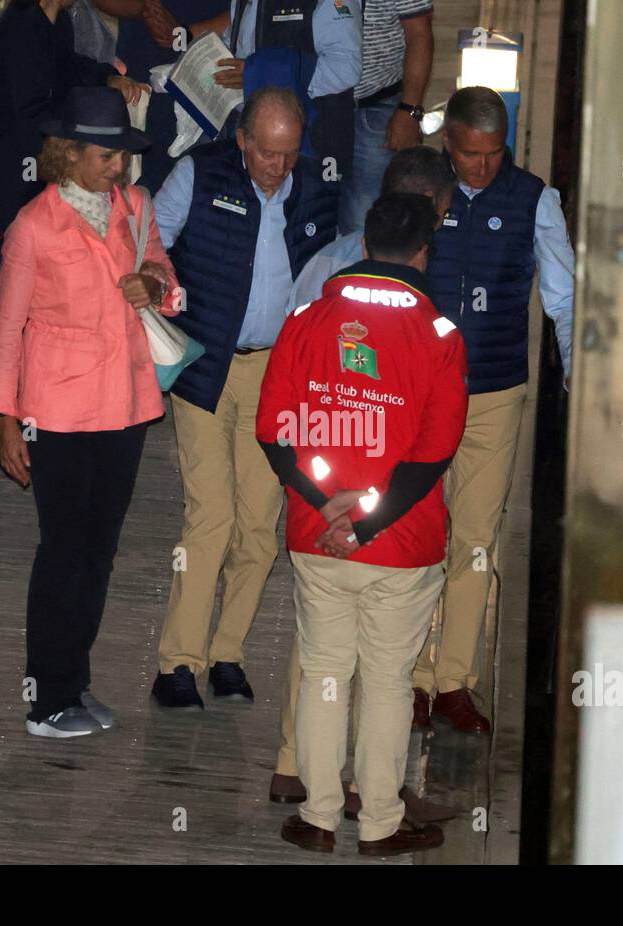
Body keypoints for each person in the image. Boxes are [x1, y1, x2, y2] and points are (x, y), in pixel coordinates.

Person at [256, 192, 468, 855]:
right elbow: (432, 453)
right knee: (385, 682)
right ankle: (379, 823)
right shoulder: (439, 336)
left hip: (317, 540)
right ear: (424, 252)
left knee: (322, 670)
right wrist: (369, 521)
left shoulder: (307, 319)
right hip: (401, 547)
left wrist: (329, 509)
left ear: (366, 245)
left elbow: (274, 434)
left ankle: (318, 818)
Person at [0, 87, 179, 738]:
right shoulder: (34, 225)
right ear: (67, 154)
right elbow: (6, 327)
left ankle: (74, 683)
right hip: (57, 413)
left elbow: (171, 287)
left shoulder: (136, 208)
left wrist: (152, 284)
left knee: (99, 554)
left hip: (123, 407)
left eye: (120, 154)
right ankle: (45, 700)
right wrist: (4, 416)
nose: (116, 166)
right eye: (104, 155)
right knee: (62, 553)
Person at [149, 86, 337, 708]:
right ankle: (178, 663)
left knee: (259, 523)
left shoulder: (314, 191)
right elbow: (151, 246)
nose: (277, 168)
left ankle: (227, 654)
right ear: (242, 141)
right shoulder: (198, 175)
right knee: (211, 515)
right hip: (205, 366)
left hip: (275, 374)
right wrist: (157, 283)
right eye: (265, 154)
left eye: (288, 154)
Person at [413, 86, 575, 733]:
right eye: (470, 155)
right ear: (448, 142)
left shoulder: (536, 200)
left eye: (493, 154)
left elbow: (563, 296)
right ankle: (415, 676)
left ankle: (454, 680)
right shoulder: (420, 188)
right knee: (422, 533)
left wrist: (579, 383)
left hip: (496, 393)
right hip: (424, 393)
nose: (481, 167)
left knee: (476, 539)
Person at [0, 0, 148, 464]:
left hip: (0, 190)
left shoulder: (52, 23)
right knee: (0, 309)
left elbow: (66, 69)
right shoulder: (21, 34)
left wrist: (105, 77)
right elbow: (33, 117)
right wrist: (83, 143)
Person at [286, 144, 452, 312]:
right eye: (446, 211)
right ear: (429, 200)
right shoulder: (442, 263)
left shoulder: (330, 258)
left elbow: (296, 321)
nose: (443, 221)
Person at [211, 0, 361, 174]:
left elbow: (346, 67)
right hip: (250, 127)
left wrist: (260, 73)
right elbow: (240, 44)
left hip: (308, 136)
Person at [104, 0, 233, 194]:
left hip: (207, 74)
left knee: (198, 182)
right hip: (141, 76)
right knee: (134, 182)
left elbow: (242, 15)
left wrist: (181, 36)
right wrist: (144, 7)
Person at [337, 0, 433, 233]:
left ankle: (362, 270)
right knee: (309, 212)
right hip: (315, 107)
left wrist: (410, 111)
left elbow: (419, 35)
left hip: (376, 107)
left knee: (365, 220)